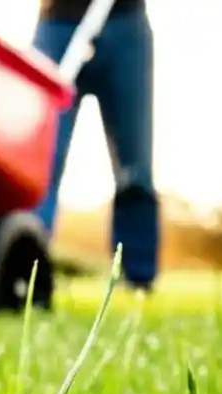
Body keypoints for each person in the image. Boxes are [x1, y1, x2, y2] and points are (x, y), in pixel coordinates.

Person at [32, 0, 160, 293]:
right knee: (41, 162)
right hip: (58, 24)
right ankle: (27, 265)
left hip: (124, 22)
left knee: (135, 169)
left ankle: (139, 279)